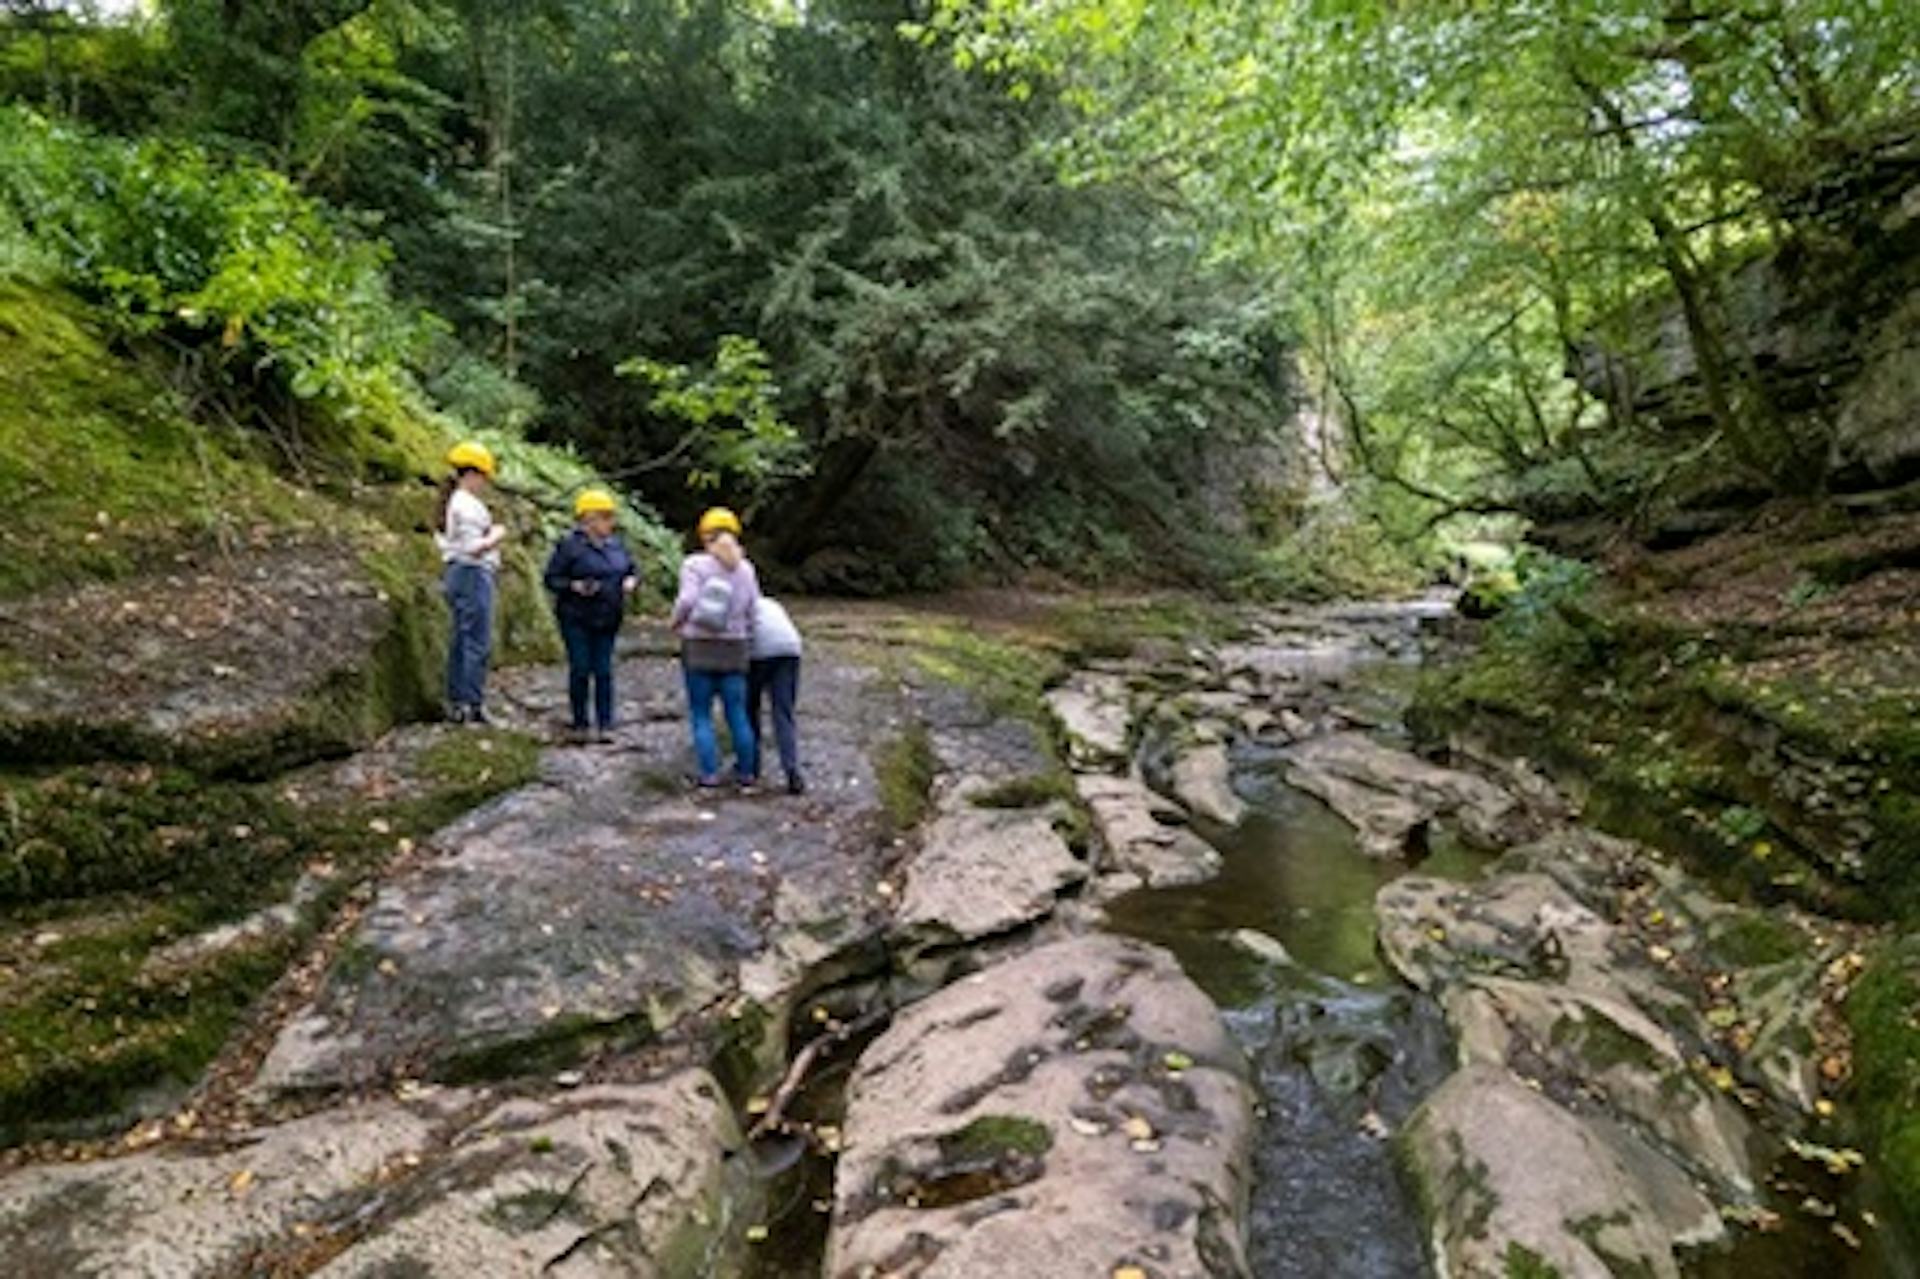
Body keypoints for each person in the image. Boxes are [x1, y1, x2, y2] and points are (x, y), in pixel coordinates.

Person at [669, 507, 761, 790]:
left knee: (701, 713)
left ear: (704, 536)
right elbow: (753, 609)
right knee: (737, 712)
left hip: (699, 645)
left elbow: (687, 601)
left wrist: (675, 623)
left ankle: (709, 774)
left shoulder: (695, 565)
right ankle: (747, 773)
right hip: (735, 647)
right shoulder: (746, 568)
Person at [544, 489, 639, 744]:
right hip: (576, 617)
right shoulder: (569, 547)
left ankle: (606, 721)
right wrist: (574, 586)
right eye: (604, 517)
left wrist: (630, 580)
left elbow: (631, 568)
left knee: (604, 670)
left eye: (610, 517)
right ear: (587, 519)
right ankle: (580, 720)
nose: (610, 522)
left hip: (608, 617)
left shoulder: (617, 546)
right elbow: (551, 579)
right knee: (581, 667)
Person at [434, 440, 505, 724]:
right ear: (473, 474)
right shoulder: (467, 505)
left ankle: (458, 701)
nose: (486, 483)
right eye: (484, 476)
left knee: (462, 639)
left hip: (459, 573)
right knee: (477, 640)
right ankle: (472, 703)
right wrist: (497, 535)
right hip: (473, 572)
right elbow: (475, 547)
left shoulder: (456, 502)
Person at [748, 595, 805, 795]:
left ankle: (751, 767)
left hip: (760, 653)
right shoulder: (772, 603)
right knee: (783, 712)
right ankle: (792, 770)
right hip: (791, 648)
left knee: (750, 708)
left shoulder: (738, 603)